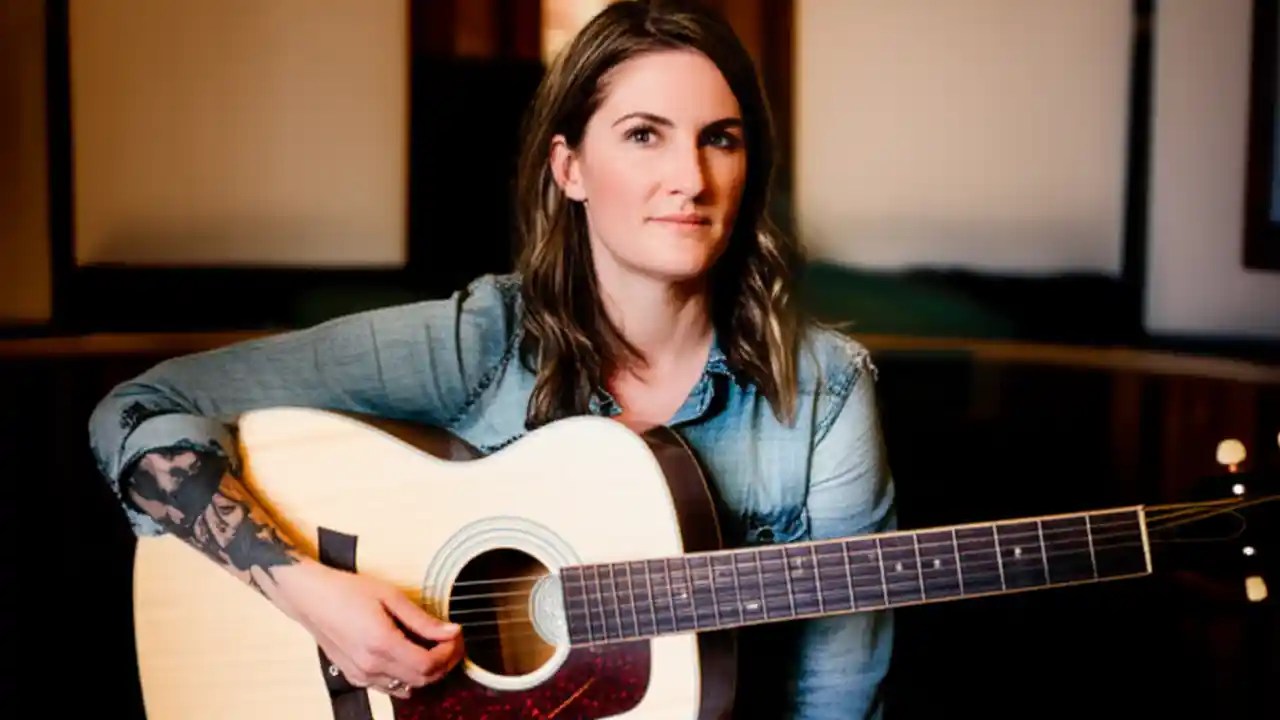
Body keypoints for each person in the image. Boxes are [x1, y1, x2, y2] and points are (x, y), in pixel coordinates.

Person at [87, 1, 896, 717]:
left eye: (720, 139)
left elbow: (834, 696)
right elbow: (138, 411)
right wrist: (312, 593)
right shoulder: (484, 339)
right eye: (644, 135)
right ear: (570, 168)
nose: (690, 178)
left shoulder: (822, 391)